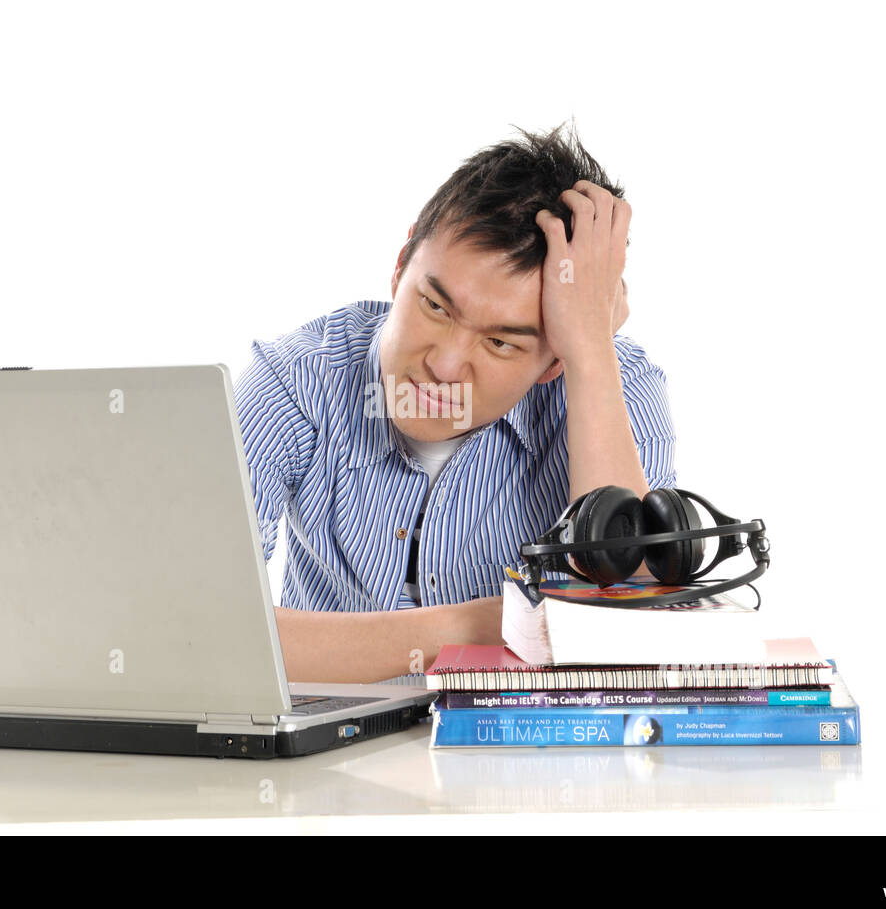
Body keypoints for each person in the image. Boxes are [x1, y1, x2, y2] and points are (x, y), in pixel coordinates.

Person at [234, 121, 677, 683]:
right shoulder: (297, 380)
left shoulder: (615, 384)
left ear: (553, 360)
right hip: (327, 759)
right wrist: (481, 627)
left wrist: (590, 357)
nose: (443, 366)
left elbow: (629, 631)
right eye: (435, 306)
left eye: (499, 342)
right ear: (400, 267)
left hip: (528, 764)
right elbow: (203, 628)